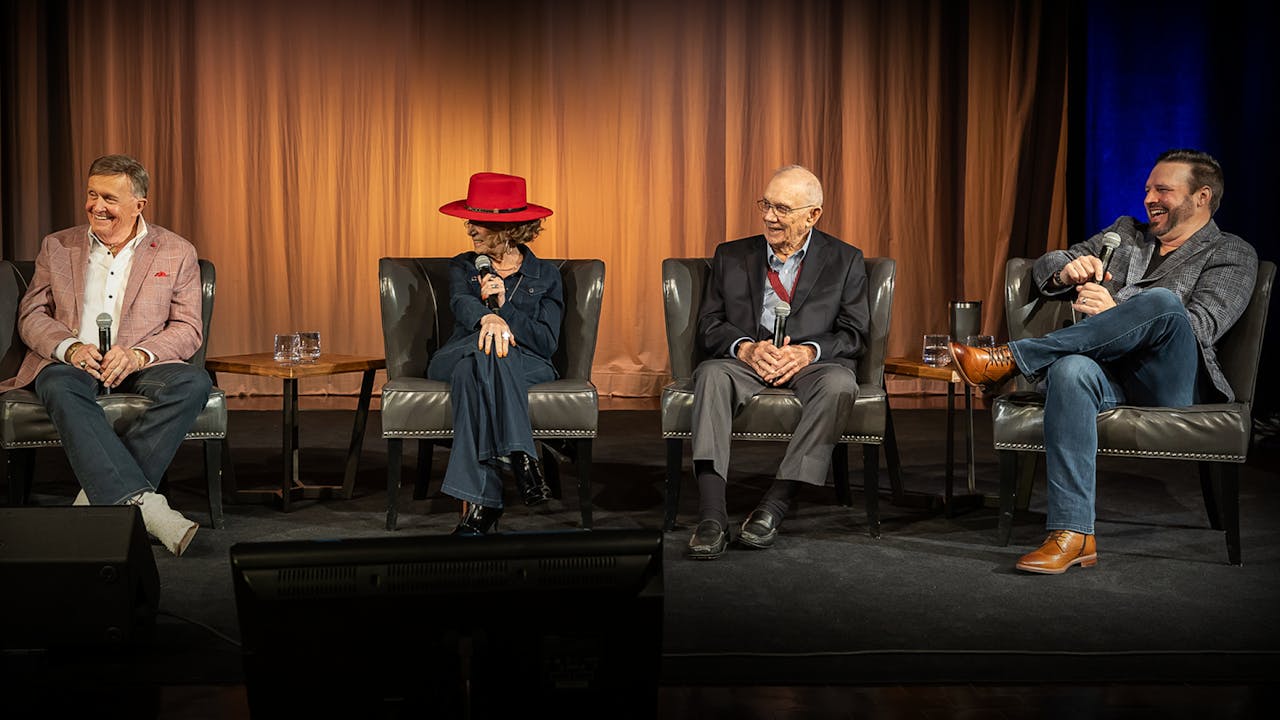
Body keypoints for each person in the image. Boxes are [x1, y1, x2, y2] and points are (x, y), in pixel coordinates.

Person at [949, 148, 1258, 574]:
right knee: (1071, 369)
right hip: (1112, 373)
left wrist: (1116, 306)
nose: (1149, 199)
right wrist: (1069, 270)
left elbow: (1203, 325)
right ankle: (1073, 534)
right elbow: (1047, 264)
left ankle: (1009, 359)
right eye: (1148, 189)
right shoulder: (1126, 234)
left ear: (1201, 196)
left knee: (1164, 303)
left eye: (1163, 190)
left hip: (1173, 382)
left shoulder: (1231, 253)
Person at [0, 154, 213, 556]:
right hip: (72, 363)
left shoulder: (175, 251)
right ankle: (144, 504)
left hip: (140, 362)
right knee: (59, 386)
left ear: (139, 205)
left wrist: (137, 355)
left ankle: (97, 500)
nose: (97, 206)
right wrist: (71, 348)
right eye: (92, 195)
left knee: (194, 382)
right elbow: (32, 315)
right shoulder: (58, 245)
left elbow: (187, 329)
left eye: (110, 199)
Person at [687, 164, 870, 559]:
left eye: (782, 209)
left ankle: (774, 506)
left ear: (813, 215)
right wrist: (746, 348)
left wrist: (807, 351)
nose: (770, 217)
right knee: (710, 375)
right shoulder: (731, 255)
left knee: (840, 384)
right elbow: (709, 324)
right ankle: (712, 515)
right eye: (766, 205)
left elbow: (854, 333)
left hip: (810, 365)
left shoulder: (845, 260)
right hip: (746, 362)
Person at [429, 172, 562, 535]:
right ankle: (520, 453)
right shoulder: (463, 265)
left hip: (526, 364)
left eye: (477, 223)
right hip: (457, 352)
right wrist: (488, 316)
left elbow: (546, 342)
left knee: (478, 369)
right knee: (485, 349)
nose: (469, 228)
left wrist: (507, 312)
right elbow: (459, 302)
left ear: (506, 229)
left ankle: (482, 510)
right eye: (469, 221)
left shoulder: (546, 275)